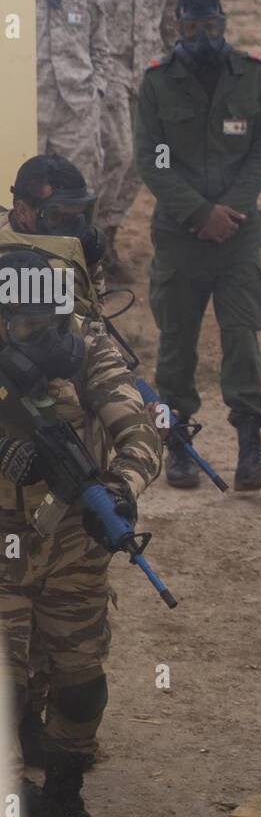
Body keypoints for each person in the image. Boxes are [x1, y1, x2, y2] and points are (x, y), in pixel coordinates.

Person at [0, 248, 162, 817]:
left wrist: (121, 488)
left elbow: (138, 426)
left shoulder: (88, 346)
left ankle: (64, 794)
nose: (38, 331)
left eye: (48, 317)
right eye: (23, 321)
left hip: (72, 539)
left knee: (79, 682)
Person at [134, 0, 261, 492]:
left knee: (242, 338)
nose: (203, 37)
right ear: (178, 27)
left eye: (211, 27)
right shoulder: (156, 82)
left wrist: (229, 211)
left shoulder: (252, 73)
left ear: (225, 22)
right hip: (181, 238)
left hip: (237, 238)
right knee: (176, 345)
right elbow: (151, 159)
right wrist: (199, 213)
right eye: (193, 28)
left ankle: (250, 449)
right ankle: (178, 448)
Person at [0, 156, 110, 770]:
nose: (75, 227)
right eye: (61, 215)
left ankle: (56, 759)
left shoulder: (68, 263)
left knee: (73, 646)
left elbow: (94, 348)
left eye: (79, 214)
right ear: (21, 209)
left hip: (59, 502)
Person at [74, 0, 182, 279]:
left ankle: (106, 240)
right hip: (105, 64)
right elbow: (76, 3)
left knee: (144, 160)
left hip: (151, 68)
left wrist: (181, 67)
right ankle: (82, 241)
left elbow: (172, 13)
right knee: (116, 152)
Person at [34, 0, 109, 197]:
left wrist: (97, 90)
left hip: (76, 111)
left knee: (77, 197)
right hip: (28, 107)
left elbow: (100, 44)